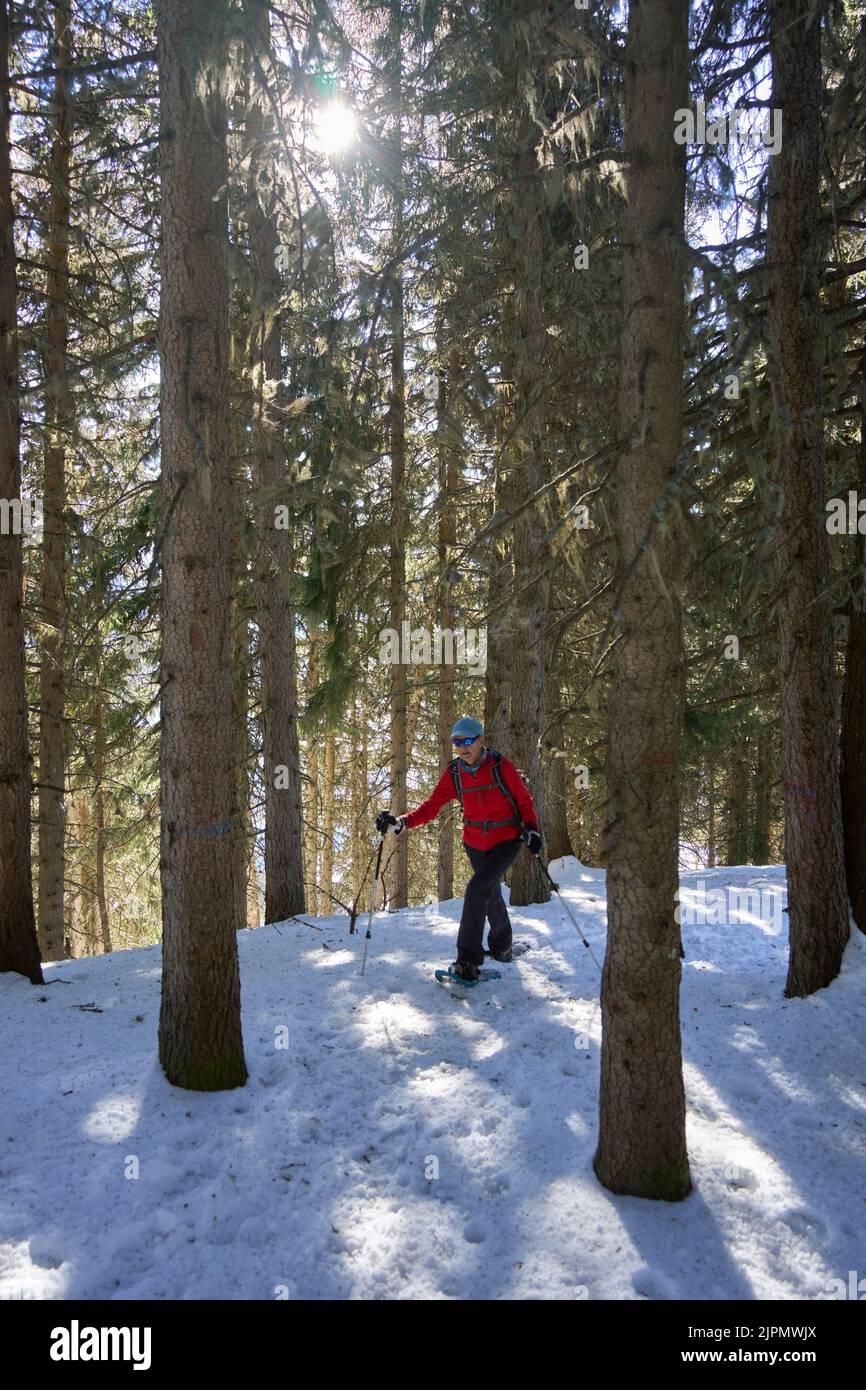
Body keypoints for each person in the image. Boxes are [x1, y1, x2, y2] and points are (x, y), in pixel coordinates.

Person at [376, 716, 542, 983]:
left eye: (467, 741)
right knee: (488, 890)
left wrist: (532, 829)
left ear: (480, 741)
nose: (462, 747)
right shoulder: (454, 773)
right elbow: (431, 807)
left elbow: (523, 800)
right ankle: (502, 947)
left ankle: (467, 962)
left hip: (507, 839)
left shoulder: (501, 766)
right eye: (457, 742)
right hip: (475, 841)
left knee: (477, 889)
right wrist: (401, 823)